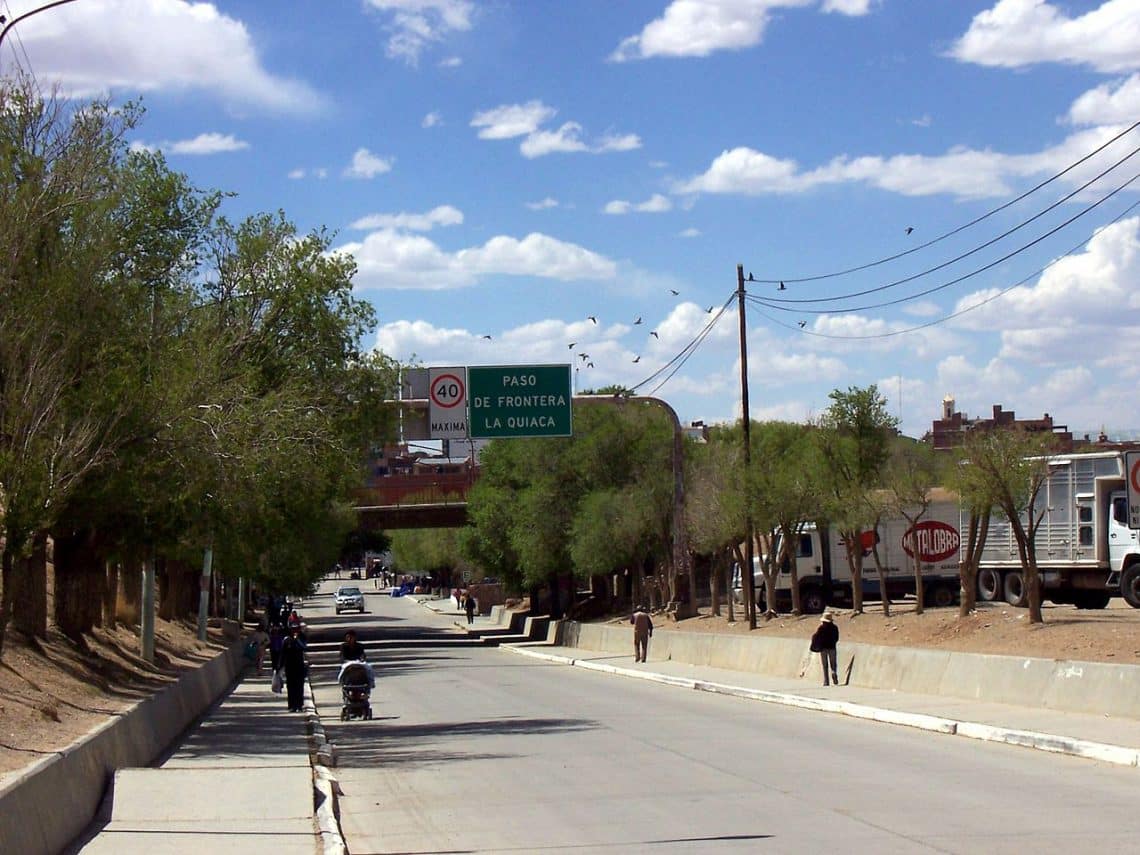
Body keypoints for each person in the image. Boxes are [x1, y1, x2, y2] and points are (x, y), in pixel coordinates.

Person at [280, 625, 308, 712]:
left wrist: (297, 640)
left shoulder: (302, 637)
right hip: (289, 666)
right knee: (291, 686)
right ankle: (292, 705)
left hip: (299, 666)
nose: (295, 631)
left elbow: (304, 647)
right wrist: (279, 667)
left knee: (299, 686)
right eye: (293, 629)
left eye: (297, 629)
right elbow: (282, 654)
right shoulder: (286, 640)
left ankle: (299, 705)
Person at [810, 612, 840, 686]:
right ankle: (833, 672)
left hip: (823, 648)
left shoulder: (821, 628)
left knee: (825, 665)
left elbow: (816, 637)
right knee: (833, 664)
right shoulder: (835, 627)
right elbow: (837, 638)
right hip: (832, 647)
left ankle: (826, 681)